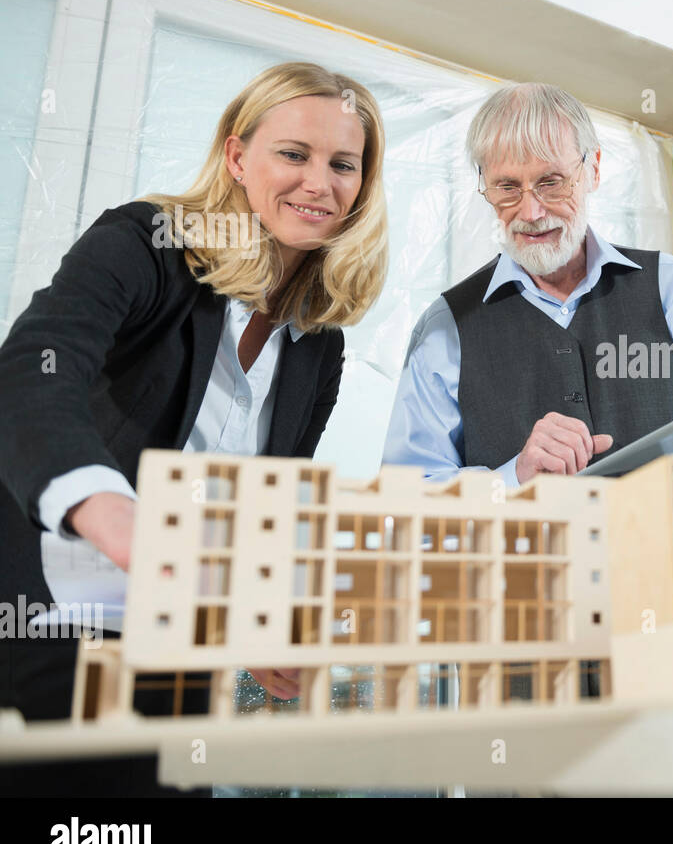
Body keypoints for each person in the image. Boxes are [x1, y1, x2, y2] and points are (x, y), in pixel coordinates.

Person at [0, 61, 389, 795]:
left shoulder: (319, 343)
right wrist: (111, 512)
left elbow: (272, 502)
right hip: (47, 612)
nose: (319, 182)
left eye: (344, 164)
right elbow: (31, 370)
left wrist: (262, 622)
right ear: (238, 157)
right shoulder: (148, 241)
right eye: (294, 154)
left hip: (181, 643)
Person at [383, 81, 673, 488]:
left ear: (594, 169)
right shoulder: (444, 328)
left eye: (551, 182)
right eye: (507, 187)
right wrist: (514, 478)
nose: (530, 212)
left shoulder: (671, 287)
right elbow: (405, 499)